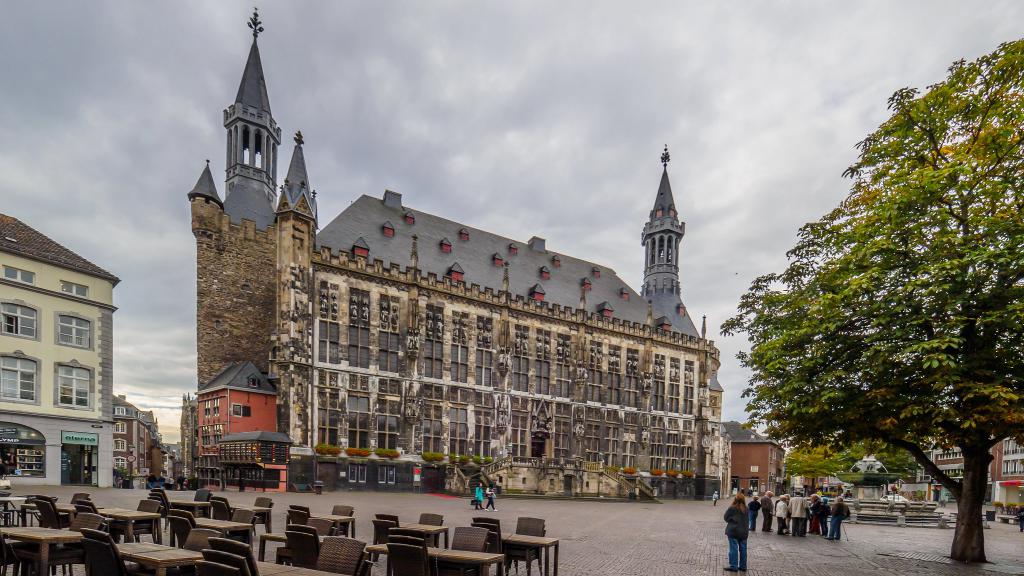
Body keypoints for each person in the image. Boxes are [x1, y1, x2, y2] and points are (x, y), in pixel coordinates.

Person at [723, 493, 749, 572]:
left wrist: (732, 520)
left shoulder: (732, 508)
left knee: (733, 549)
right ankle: (743, 566)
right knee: (743, 549)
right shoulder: (746, 508)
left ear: (735, 499)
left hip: (734, 531)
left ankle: (734, 566)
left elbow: (726, 518)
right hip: (744, 531)